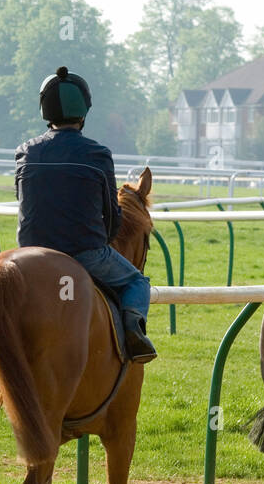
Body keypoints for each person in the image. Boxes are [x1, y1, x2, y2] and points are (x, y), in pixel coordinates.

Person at [15, 66, 157, 363]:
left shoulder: (25, 152)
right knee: (137, 283)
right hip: (85, 254)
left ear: (45, 111)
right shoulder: (97, 154)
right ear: (84, 112)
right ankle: (134, 337)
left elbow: (24, 202)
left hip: (30, 254)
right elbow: (112, 218)